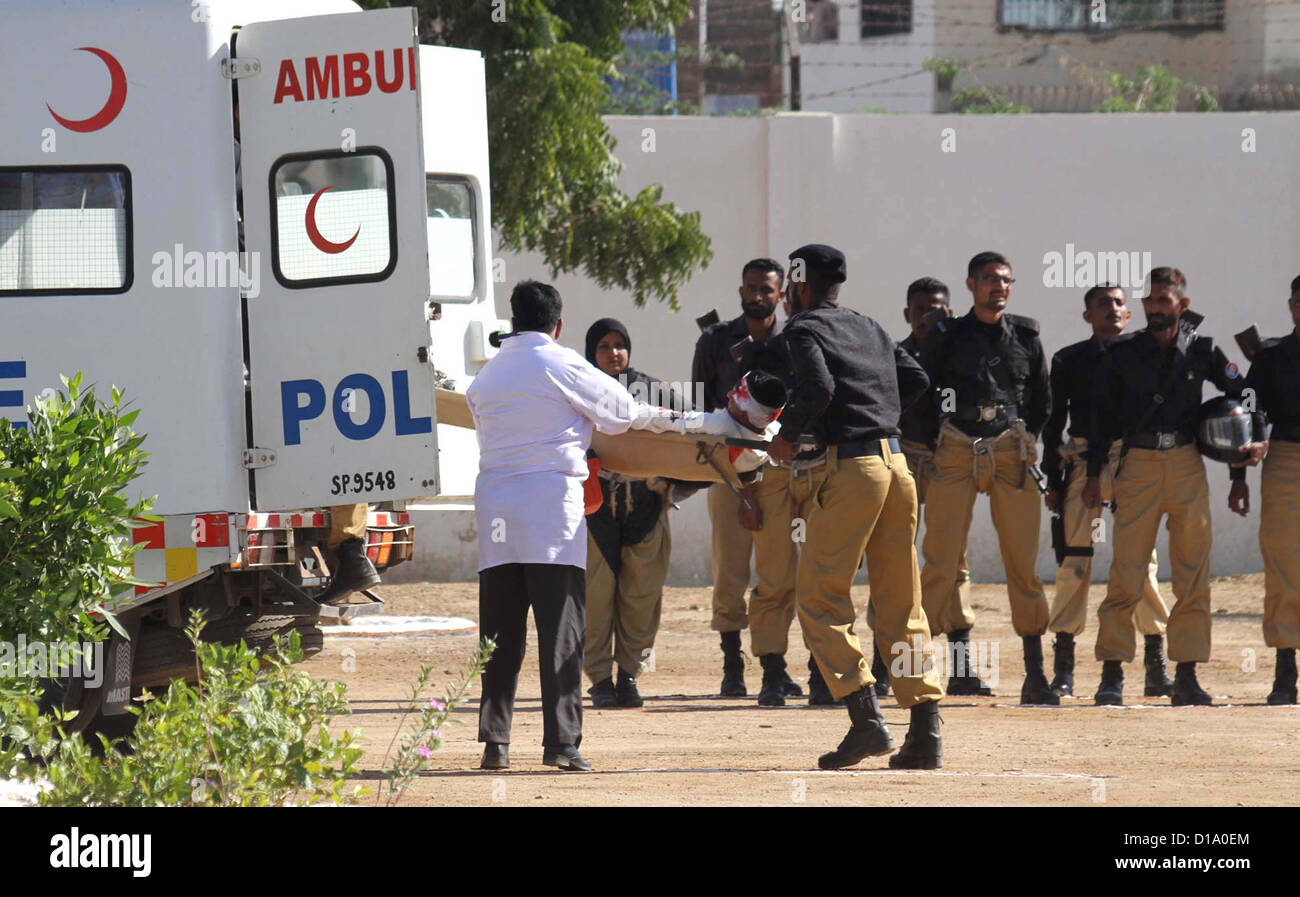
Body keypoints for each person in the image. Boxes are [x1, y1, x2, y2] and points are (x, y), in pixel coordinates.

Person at [467, 280, 679, 772]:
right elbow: (623, 412)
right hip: (550, 517)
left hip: (496, 512)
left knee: (499, 636)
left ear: (513, 321)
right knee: (560, 632)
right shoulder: (561, 363)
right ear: (557, 325)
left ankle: (495, 744)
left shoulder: (488, 375)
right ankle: (560, 744)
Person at [768, 244, 944, 770]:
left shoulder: (802, 330)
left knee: (820, 599)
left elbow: (818, 388)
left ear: (798, 284)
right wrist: (878, 414)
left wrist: (787, 435)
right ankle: (925, 731)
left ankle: (866, 719)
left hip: (851, 470)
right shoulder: (868, 325)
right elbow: (916, 379)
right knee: (902, 603)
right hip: (897, 466)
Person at [1086, 267, 1265, 706]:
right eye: (1149, 301)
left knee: (1193, 573)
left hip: (1186, 462)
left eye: (1163, 301)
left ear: (1182, 305)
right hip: (1139, 463)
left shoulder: (1202, 349)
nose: (1153, 308)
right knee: (1127, 572)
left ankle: (1186, 675)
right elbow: (1100, 417)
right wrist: (1094, 474)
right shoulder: (1123, 350)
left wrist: (1241, 468)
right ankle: (1112, 674)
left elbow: (1243, 397)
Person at [918, 251, 1057, 705]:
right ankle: (900, 665)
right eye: (988, 279)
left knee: (1023, 565)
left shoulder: (1027, 336)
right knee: (939, 560)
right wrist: (931, 441)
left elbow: (1042, 398)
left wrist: (1030, 436)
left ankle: (1036, 676)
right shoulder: (946, 336)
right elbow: (923, 390)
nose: (998, 286)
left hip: (1009, 448)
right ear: (970, 285)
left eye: (1004, 279)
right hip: (956, 446)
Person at [1040, 285, 1172, 698]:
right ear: (1087, 316)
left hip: (1135, 461)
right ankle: (1064, 667)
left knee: (1141, 562)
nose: (1112, 310)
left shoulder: (1145, 353)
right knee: (1075, 561)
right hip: (1082, 462)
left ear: (1129, 315)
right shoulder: (1070, 359)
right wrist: (1054, 478)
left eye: (1119, 303)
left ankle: (1155, 664)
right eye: (1102, 304)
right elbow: (1052, 419)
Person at [691, 258, 806, 701]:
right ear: (741, 290)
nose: (758, 295)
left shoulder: (797, 341)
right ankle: (732, 666)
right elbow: (700, 403)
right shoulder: (717, 340)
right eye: (752, 287)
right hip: (725, 469)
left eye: (767, 289)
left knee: (778, 571)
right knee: (729, 570)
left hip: (777, 468)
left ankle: (773, 668)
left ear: (781, 295)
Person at [582, 318, 686, 709]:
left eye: (619, 345)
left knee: (641, 598)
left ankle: (628, 677)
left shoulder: (655, 391)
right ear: (592, 351)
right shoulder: (578, 389)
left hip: (645, 507)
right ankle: (599, 680)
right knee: (595, 598)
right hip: (595, 511)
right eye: (604, 346)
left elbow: (696, 438)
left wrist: (673, 487)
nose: (613, 353)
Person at [877, 276, 969, 698]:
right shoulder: (895, 355)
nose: (927, 319)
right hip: (908, 456)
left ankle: (964, 667)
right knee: (896, 558)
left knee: (953, 562)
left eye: (937, 311)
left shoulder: (962, 351)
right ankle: (884, 664)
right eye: (919, 312)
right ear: (907, 315)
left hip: (951, 459)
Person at [1245, 274, 1300, 705]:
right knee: (1283, 562)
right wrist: (1257, 435)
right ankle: (1286, 669)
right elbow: (1248, 406)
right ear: (1291, 306)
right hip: (1285, 456)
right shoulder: (1270, 356)